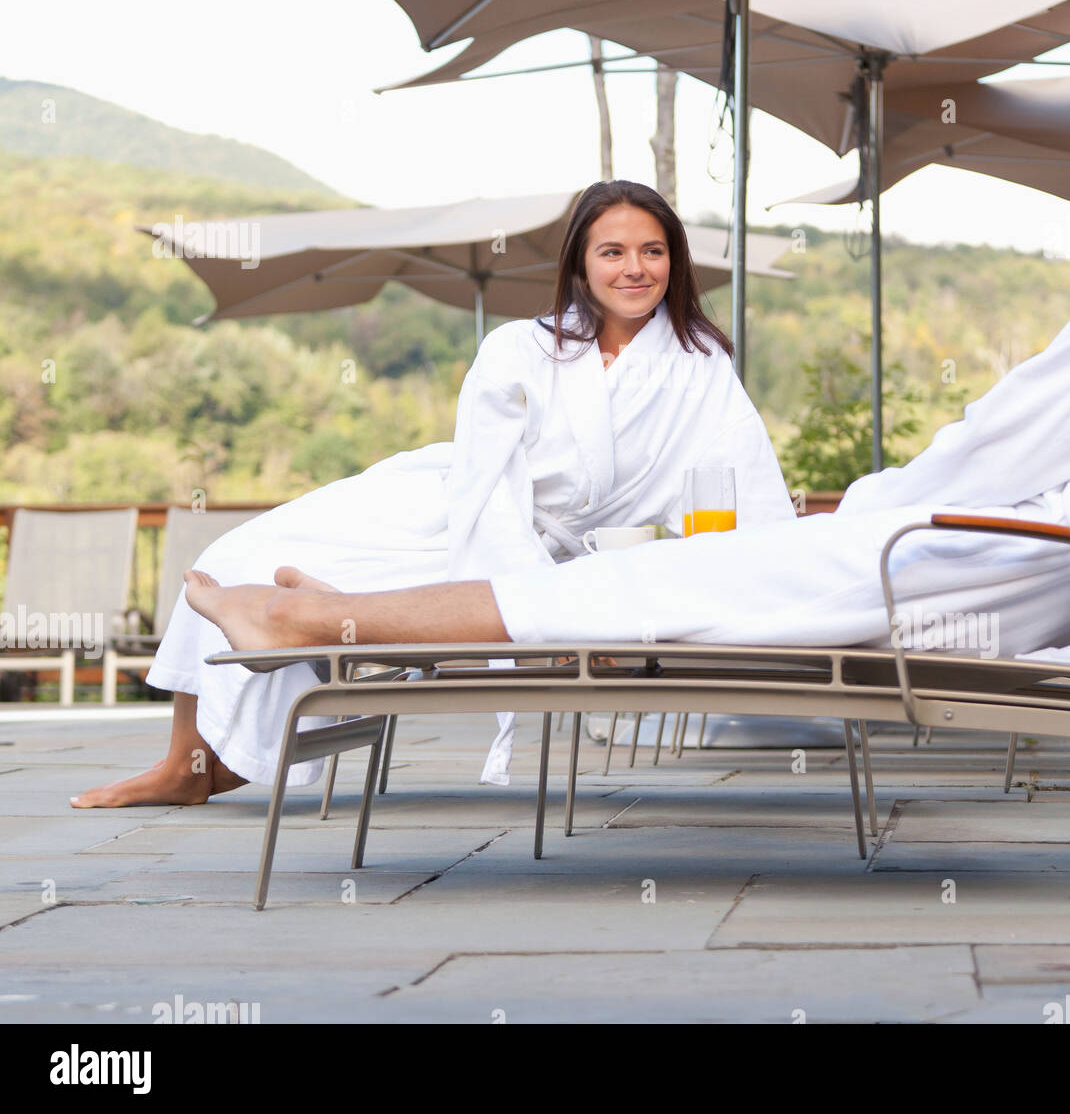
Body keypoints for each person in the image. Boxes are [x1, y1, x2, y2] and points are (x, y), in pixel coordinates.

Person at [174, 79, 1070, 705]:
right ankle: (328, 611)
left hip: (976, 562)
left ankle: (317, 614)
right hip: (1020, 560)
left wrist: (871, 502)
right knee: (659, 578)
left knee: (643, 588)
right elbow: (1032, 446)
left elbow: (1003, 444)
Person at [70, 182, 795, 807]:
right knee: (233, 554)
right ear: (580, 263)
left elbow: (741, 486)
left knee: (313, 591)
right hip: (457, 508)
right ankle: (183, 765)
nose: (634, 268)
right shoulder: (520, 347)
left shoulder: (700, 369)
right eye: (613, 252)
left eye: (652, 251)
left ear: (675, 261)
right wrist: (525, 587)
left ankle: (316, 624)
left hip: (562, 554)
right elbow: (487, 481)